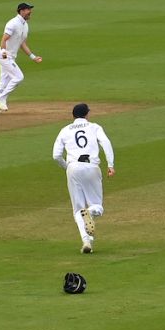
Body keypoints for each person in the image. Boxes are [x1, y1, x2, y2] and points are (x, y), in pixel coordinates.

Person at [52, 103, 115, 254]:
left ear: (73, 115)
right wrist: (110, 164)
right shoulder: (94, 127)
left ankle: (87, 240)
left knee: (78, 210)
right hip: (92, 166)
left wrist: (67, 167)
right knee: (96, 206)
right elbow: (106, 143)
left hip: (73, 168)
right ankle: (90, 214)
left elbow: (56, 156)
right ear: (87, 114)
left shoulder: (65, 130)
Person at [0, 2, 43, 114]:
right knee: (19, 77)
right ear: (22, 11)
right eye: (28, 10)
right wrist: (4, 52)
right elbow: (4, 39)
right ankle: (1, 98)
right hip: (4, 56)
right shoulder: (13, 23)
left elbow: (22, 43)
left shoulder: (25, 25)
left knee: (3, 84)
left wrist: (33, 57)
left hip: (10, 57)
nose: (30, 12)